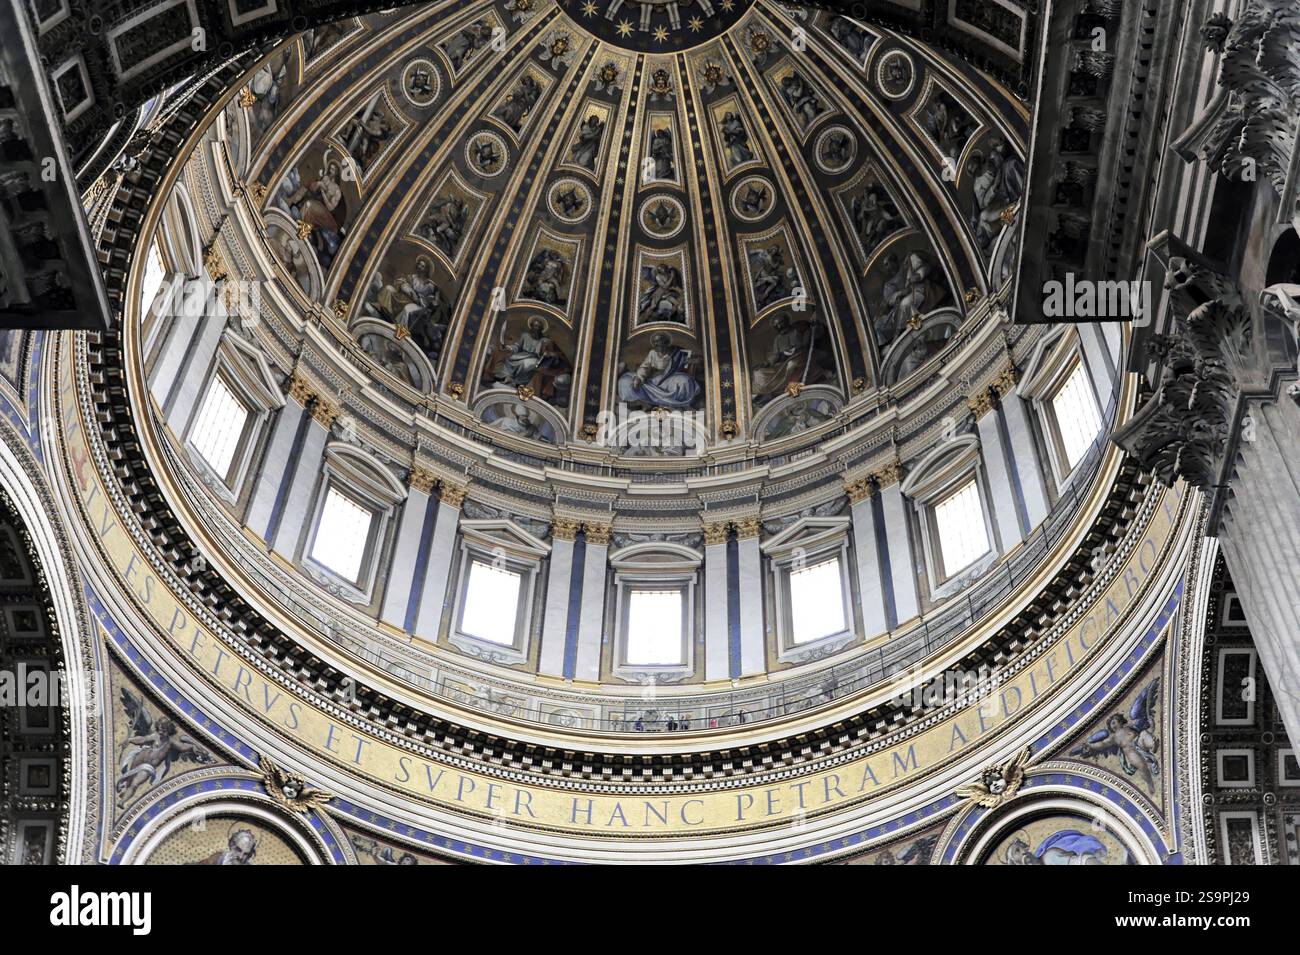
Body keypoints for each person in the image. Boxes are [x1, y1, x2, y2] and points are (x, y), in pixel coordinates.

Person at [617, 333, 702, 409]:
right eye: (656, 342)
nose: (658, 344)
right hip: (652, 378)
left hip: (669, 378)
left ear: (666, 343)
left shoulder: (675, 353)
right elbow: (645, 367)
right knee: (626, 381)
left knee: (685, 381)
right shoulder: (652, 353)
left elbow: (686, 360)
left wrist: (696, 360)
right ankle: (640, 401)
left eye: (660, 341)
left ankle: (678, 403)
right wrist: (639, 377)